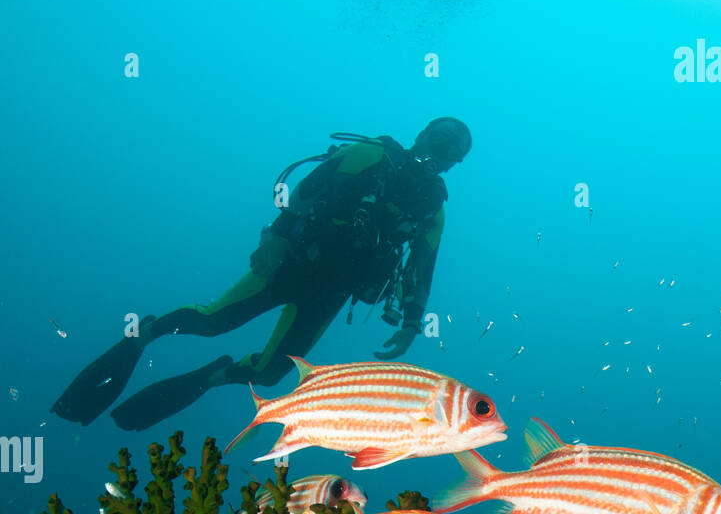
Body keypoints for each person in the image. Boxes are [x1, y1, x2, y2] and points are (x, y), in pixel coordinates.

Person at [52, 118, 472, 430]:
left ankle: (212, 376)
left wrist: (412, 323)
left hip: (331, 294)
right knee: (213, 322)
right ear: (422, 134)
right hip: (290, 263)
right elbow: (304, 193)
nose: (444, 152)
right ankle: (148, 332)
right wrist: (274, 238)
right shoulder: (372, 154)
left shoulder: (433, 207)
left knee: (270, 374)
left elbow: (422, 267)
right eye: (441, 139)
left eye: (455, 151)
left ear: (455, 163)